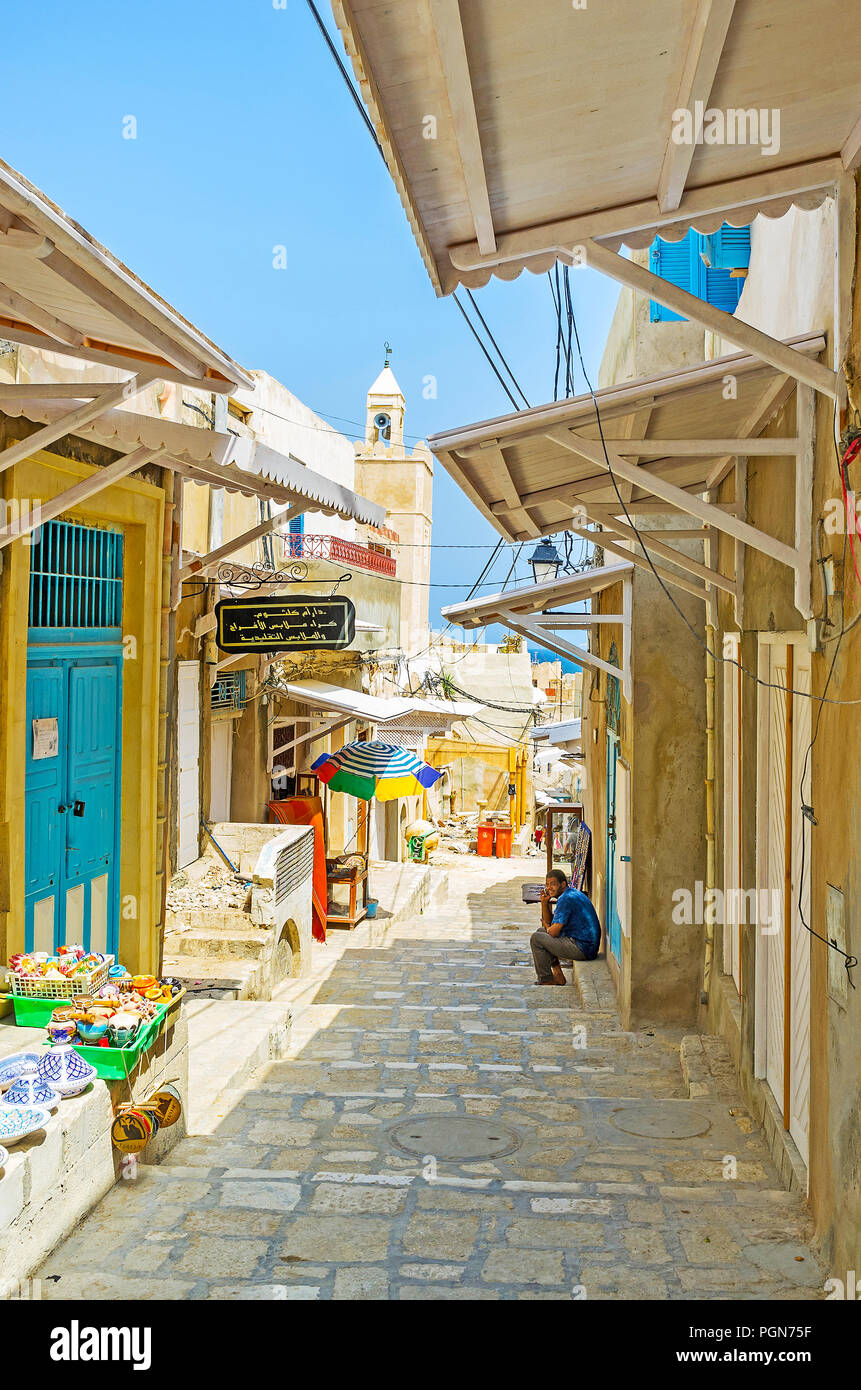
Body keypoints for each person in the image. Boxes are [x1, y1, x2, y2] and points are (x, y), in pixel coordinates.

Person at [531, 869, 601, 985]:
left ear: (563, 884)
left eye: (553, 884)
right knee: (541, 931)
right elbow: (551, 923)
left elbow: (553, 932)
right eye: (547, 884)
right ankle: (558, 975)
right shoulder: (570, 893)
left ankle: (546, 980)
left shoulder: (565, 899)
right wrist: (544, 903)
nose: (549, 888)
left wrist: (548, 926)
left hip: (583, 948)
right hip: (586, 946)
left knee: (536, 938)